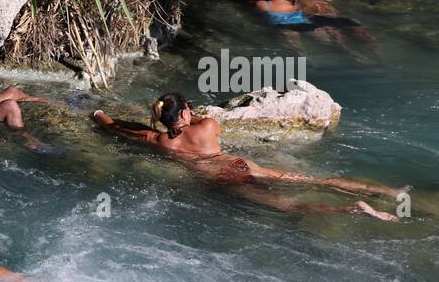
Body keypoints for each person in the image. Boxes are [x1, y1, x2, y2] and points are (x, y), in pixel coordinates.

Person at [90, 92, 401, 221]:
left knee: (289, 205)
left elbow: (118, 128)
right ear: (185, 111)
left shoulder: (158, 141)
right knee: (310, 179)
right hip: (236, 164)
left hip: (220, 178)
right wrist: (187, 115)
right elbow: (196, 120)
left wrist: (98, 113)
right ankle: (387, 192)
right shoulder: (208, 126)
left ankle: (354, 210)